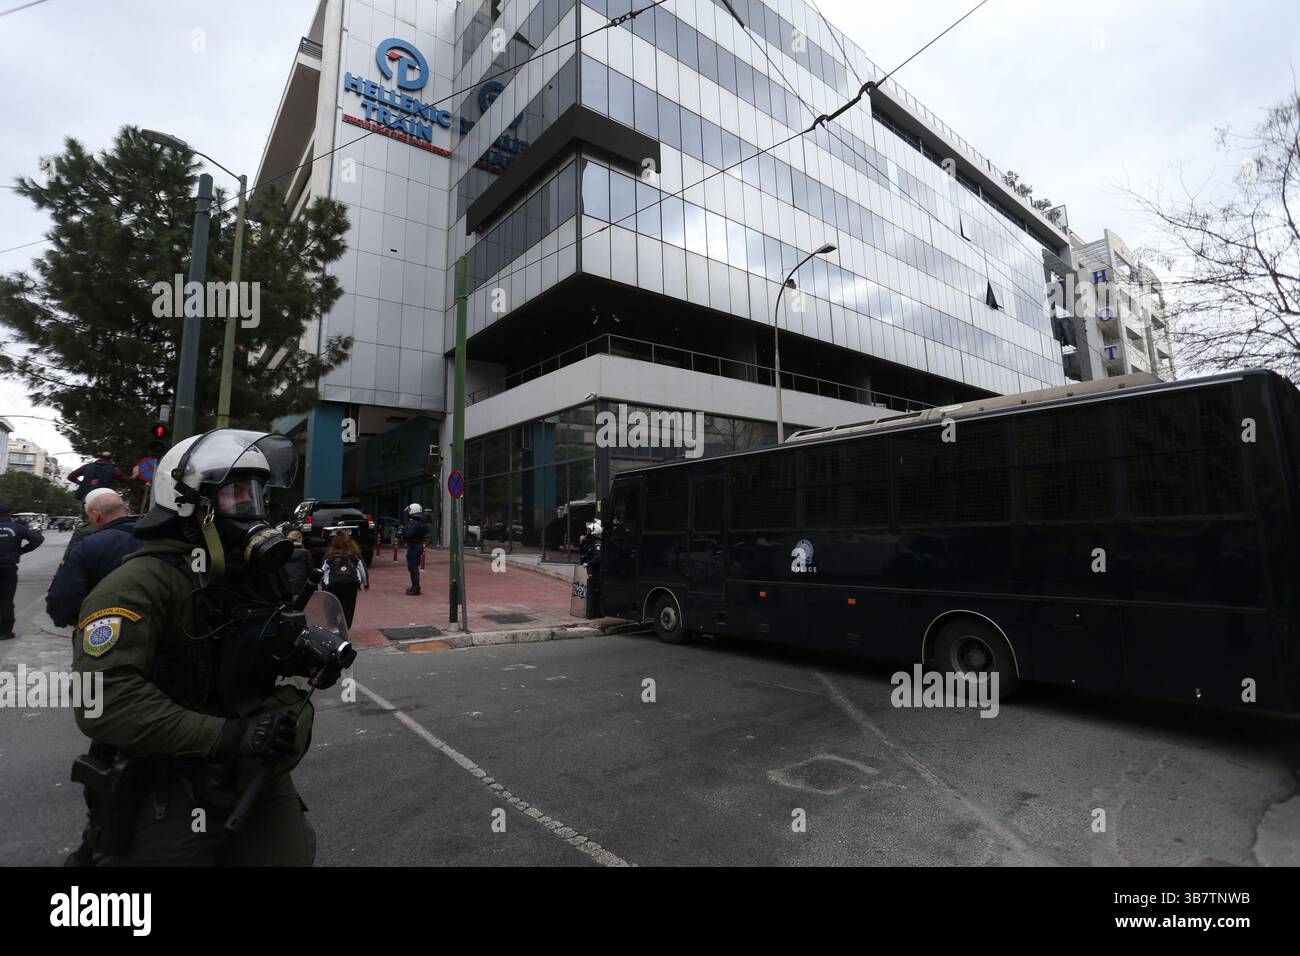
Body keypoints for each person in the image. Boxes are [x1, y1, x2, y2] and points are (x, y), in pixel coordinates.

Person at [66, 428, 344, 866]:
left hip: (256, 773)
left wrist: (307, 652)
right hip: (170, 783)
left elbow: (254, 647)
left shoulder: (248, 578)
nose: (251, 511)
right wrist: (227, 735)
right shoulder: (136, 586)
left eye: (254, 496)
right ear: (188, 505)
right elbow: (106, 700)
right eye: (235, 496)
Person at [46, 490, 140, 629]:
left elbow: (64, 596)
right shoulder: (155, 537)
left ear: (96, 516)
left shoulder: (87, 546)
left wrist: (67, 619)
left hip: (101, 627)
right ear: (126, 510)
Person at [0, 501, 44, 640]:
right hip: (8, 568)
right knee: (6, 600)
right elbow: (38, 538)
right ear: (10, 514)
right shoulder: (18, 528)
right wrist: (21, 551)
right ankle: (5, 632)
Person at [320, 530, 367, 629]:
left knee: (331, 606)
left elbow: (323, 570)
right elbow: (361, 569)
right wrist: (364, 583)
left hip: (332, 585)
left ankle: (333, 626)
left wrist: (323, 584)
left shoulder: (331, 554)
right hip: (350, 585)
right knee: (348, 607)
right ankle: (345, 628)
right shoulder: (353, 554)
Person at [403, 503, 428, 595]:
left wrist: (403, 532)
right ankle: (415, 587)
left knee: (413, 567)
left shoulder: (413, 521)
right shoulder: (421, 521)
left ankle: (415, 588)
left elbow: (408, 534)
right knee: (414, 567)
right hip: (419, 545)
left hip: (414, 546)